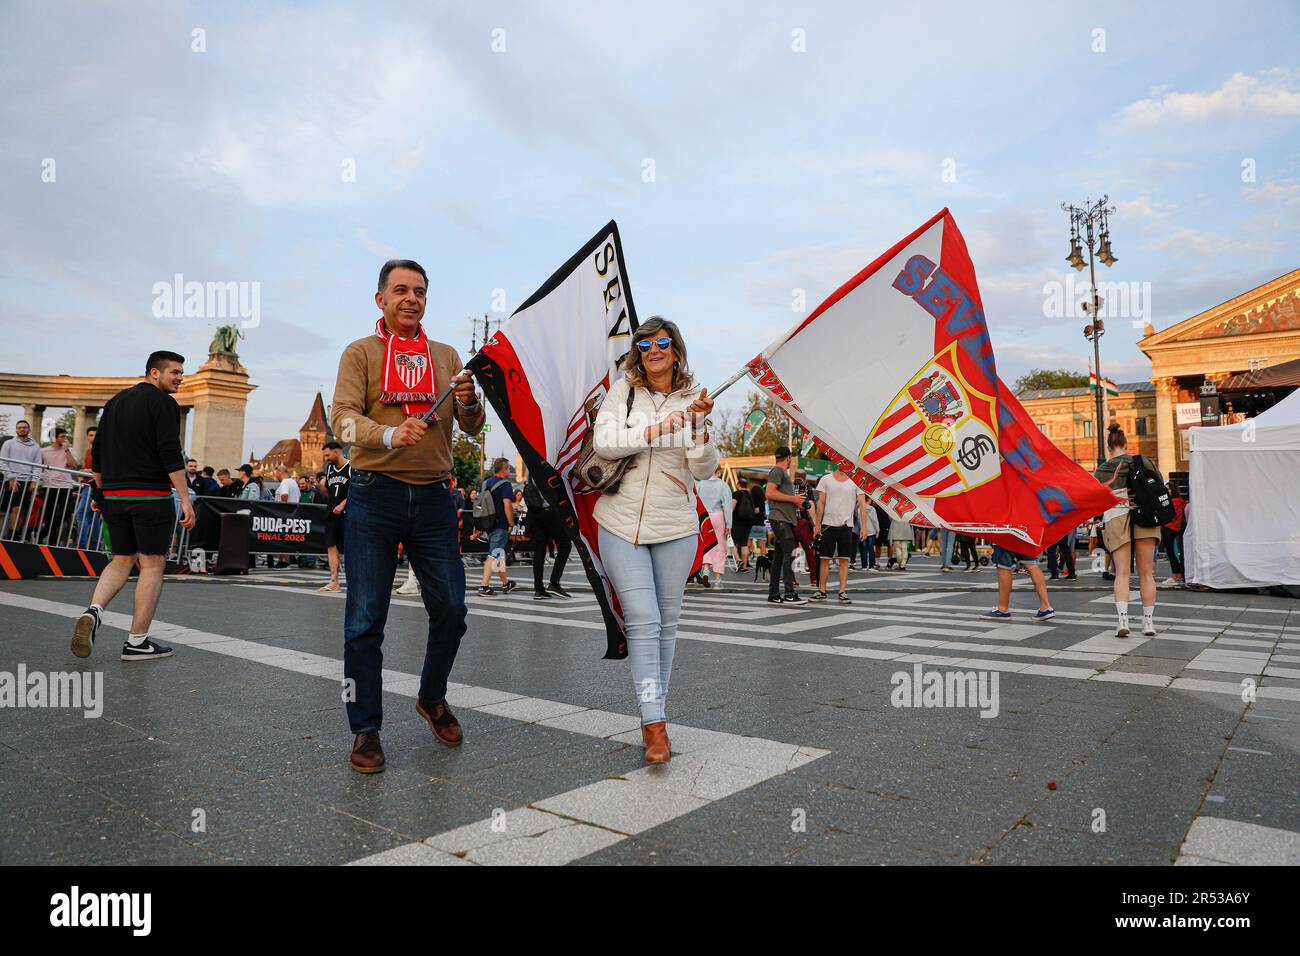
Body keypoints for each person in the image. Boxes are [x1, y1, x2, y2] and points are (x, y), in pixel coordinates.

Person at [330, 258, 484, 773]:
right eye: (400, 290)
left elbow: (469, 427)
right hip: (375, 493)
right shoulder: (361, 352)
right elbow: (342, 422)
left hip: (436, 497)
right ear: (381, 299)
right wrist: (391, 434)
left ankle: (431, 696)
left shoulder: (445, 355)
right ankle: (365, 730)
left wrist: (468, 402)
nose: (411, 298)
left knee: (453, 610)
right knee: (365, 620)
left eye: (419, 291)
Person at [592, 316, 717, 764]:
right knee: (643, 619)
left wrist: (699, 430)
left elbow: (704, 470)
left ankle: (656, 713)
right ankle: (654, 725)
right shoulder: (623, 390)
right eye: (645, 344)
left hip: (675, 526)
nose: (653, 350)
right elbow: (604, 442)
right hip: (620, 520)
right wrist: (658, 429)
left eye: (662, 342)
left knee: (666, 625)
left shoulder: (694, 397)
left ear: (677, 349)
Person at [71, 350, 196, 662]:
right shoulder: (164, 403)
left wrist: (100, 495)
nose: (180, 378)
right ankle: (137, 642)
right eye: (175, 372)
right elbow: (170, 452)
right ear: (154, 373)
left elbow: (96, 452)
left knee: (121, 559)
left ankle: (94, 610)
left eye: (182, 373)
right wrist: (184, 497)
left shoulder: (115, 402)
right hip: (150, 496)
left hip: (114, 495)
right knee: (152, 565)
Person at [1094, 423, 1162, 637]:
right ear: (1125, 444)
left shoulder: (1103, 470)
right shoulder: (1143, 461)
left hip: (1117, 517)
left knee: (1121, 573)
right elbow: (1159, 486)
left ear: (1109, 447)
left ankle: (1123, 620)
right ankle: (1148, 623)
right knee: (1146, 574)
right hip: (1146, 517)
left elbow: (1094, 498)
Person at [811, 467, 869, 602]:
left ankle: (842, 592)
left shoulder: (857, 481)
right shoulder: (826, 479)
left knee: (844, 560)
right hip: (828, 525)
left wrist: (864, 527)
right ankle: (822, 590)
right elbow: (821, 503)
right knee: (825, 559)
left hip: (846, 526)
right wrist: (817, 524)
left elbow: (862, 505)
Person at [765, 446, 807, 605]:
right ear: (788, 458)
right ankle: (789, 593)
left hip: (781, 519)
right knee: (789, 555)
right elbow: (769, 493)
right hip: (780, 519)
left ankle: (774, 594)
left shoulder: (779, 473)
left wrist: (794, 499)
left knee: (778, 558)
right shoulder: (778, 471)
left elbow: (775, 494)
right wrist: (794, 499)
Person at [980, 543, 1056, 621]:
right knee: (1031, 564)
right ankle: (1046, 606)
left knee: (1003, 566)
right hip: (1025, 533)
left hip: (1006, 534)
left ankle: (1002, 609)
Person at [523, 477, 572, 600]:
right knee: (565, 545)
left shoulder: (532, 468)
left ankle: (539, 589)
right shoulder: (548, 466)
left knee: (539, 551)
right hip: (549, 511)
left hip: (534, 513)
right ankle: (554, 583)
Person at [477, 458, 517, 596]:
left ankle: (506, 583)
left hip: (487, 523)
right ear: (504, 469)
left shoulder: (484, 483)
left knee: (499, 554)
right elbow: (507, 506)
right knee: (493, 555)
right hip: (500, 524)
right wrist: (511, 523)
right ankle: (484, 586)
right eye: (508, 469)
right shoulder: (505, 485)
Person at [40, 426, 81, 546]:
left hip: (65, 486)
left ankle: (43, 533)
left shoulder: (70, 450)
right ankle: (51, 542)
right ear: (54, 438)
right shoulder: (43, 451)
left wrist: (66, 450)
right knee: (49, 514)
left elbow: (73, 465)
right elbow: (38, 467)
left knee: (68, 511)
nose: (65, 439)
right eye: (62, 436)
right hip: (49, 486)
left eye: (65, 436)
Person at [1, 419, 43, 537]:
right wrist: (10, 478)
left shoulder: (35, 446)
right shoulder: (9, 443)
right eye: (19, 427)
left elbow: (37, 465)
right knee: (16, 509)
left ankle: (18, 533)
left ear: (28, 430)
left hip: (28, 481)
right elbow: (3, 462)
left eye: (24, 427)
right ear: (16, 430)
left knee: (23, 510)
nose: (22, 429)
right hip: (13, 481)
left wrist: (34, 481)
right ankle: (12, 535)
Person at [319, 440, 350, 592]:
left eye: (328, 455)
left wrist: (343, 504)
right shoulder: (330, 468)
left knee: (350, 548)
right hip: (331, 512)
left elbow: (357, 491)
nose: (326, 458)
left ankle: (355, 580)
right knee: (331, 546)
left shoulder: (351, 467)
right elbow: (327, 489)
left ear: (336, 451)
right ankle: (334, 581)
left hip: (347, 513)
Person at [695, 465, 732, 591]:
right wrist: (729, 524)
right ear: (719, 471)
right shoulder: (723, 486)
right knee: (719, 546)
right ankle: (717, 580)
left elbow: (695, 501)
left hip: (704, 516)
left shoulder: (700, 484)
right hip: (718, 516)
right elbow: (727, 506)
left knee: (706, 544)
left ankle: (705, 569)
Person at [1162, 481, 1187, 587]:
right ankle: (1179, 575)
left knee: (1171, 553)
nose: (1167, 491)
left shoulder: (1174, 501)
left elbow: (1172, 516)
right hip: (1176, 528)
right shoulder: (1180, 500)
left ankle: (1176, 576)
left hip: (1170, 527)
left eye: (1168, 489)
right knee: (1177, 553)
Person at [730, 477, 753, 571]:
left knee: (732, 542)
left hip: (737, 521)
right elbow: (756, 510)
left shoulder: (737, 493)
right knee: (744, 544)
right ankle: (744, 566)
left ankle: (738, 560)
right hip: (748, 522)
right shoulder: (750, 495)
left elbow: (732, 507)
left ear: (738, 485)